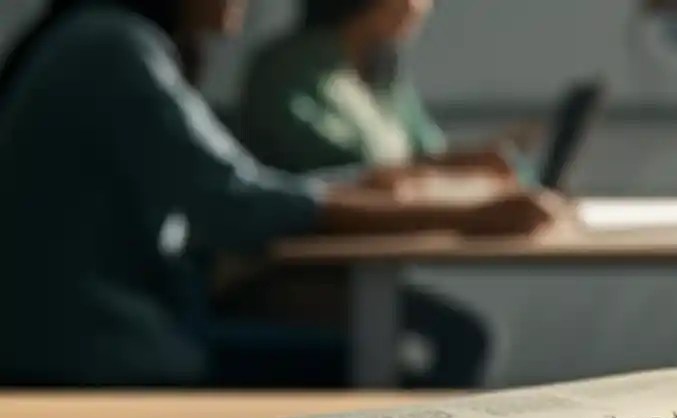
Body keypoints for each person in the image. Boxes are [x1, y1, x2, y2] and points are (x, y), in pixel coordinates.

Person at [0, 0, 559, 388]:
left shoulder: (105, 39)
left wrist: (366, 186)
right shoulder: (115, 49)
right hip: (94, 349)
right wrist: (460, 219)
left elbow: (231, 185)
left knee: (396, 359)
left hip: (110, 330)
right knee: (381, 373)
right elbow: (234, 202)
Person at [239, 0, 527, 177]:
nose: (423, 6)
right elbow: (331, 166)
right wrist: (416, 174)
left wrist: (477, 161)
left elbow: (426, 151)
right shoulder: (288, 69)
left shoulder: (383, 73)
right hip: (310, 254)